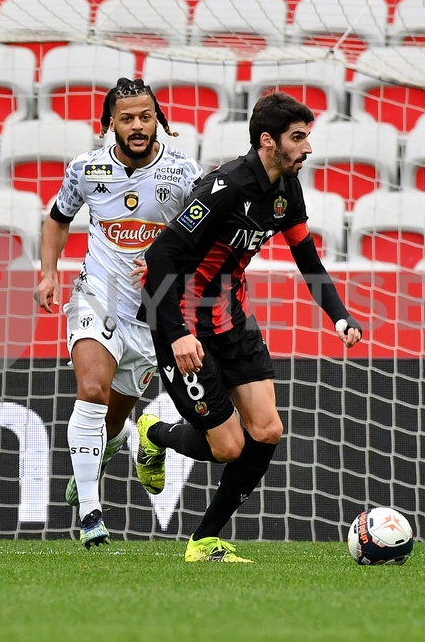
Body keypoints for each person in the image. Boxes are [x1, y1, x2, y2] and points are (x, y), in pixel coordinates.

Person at [138, 91, 363, 562]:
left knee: (267, 430)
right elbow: (159, 256)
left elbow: (308, 260)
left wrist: (340, 315)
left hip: (232, 320)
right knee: (228, 446)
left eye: (307, 136)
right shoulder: (225, 187)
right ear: (267, 141)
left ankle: (204, 541)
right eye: (297, 137)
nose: (307, 147)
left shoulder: (287, 189)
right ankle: (153, 433)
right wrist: (176, 333)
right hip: (184, 324)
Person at [34, 78, 202, 549]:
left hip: (153, 315)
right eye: (127, 118)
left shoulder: (184, 173)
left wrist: (170, 263)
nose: (137, 126)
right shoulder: (86, 169)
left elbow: (206, 238)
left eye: (145, 117)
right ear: (111, 123)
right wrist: (48, 274)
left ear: (158, 119)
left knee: (110, 421)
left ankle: (106, 450)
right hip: (96, 296)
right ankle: (90, 512)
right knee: (92, 390)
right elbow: (57, 219)